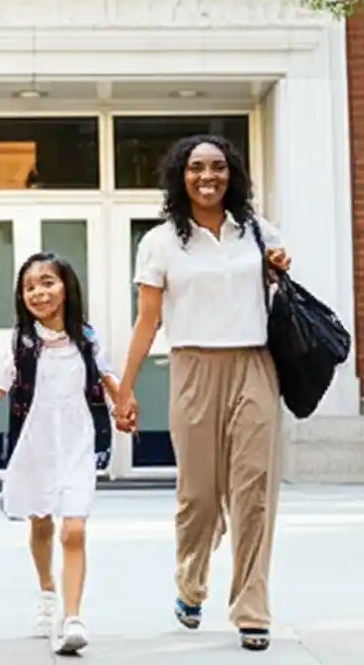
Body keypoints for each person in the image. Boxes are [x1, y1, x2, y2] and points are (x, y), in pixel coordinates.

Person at [115, 134, 291, 653]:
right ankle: (190, 582)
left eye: (218, 167)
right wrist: (124, 391)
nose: (207, 176)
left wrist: (279, 267)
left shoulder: (259, 232)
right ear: (181, 175)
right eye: (196, 168)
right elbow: (147, 323)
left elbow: (282, 299)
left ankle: (252, 608)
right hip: (191, 368)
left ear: (232, 174)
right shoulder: (162, 241)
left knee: (254, 491)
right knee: (198, 497)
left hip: (255, 364)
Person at [0, 252, 118, 655]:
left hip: (77, 441)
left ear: (67, 287)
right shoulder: (22, 343)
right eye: (30, 286)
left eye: (47, 282)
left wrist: (126, 405)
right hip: (35, 442)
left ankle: (73, 617)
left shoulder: (87, 337)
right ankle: (48, 592)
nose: (39, 292)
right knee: (41, 522)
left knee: (75, 528)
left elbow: (108, 378)